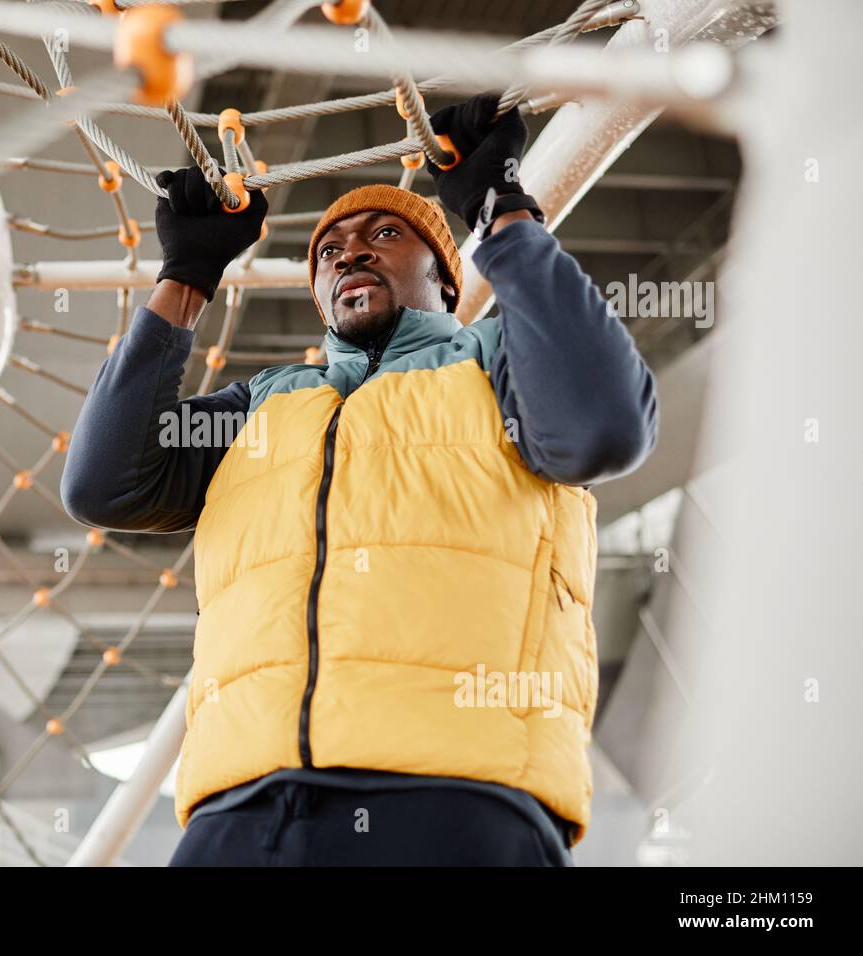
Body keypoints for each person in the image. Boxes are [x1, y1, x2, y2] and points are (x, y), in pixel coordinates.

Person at [61, 93, 659, 866]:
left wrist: (501, 211)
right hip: (242, 814)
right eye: (329, 251)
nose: (351, 253)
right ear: (318, 296)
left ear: (447, 280)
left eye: (384, 234)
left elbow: (602, 427)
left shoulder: (496, 362)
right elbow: (104, 486)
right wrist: (186, 274)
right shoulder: (260, 406)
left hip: (459, 800)